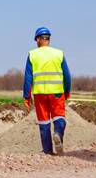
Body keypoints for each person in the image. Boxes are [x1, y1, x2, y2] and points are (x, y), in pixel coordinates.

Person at [23, 26, 71, 155]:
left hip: (39, 94)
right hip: (56, 92)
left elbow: (28, 77)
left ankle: (48, 151)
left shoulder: (32, 54)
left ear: (38, 39)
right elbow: (67, 75)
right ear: (48, 39)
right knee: (59, 117)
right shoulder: (59, 53)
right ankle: (58, 134)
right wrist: (67, 90)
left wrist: (26, 96)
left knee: (44, 122)